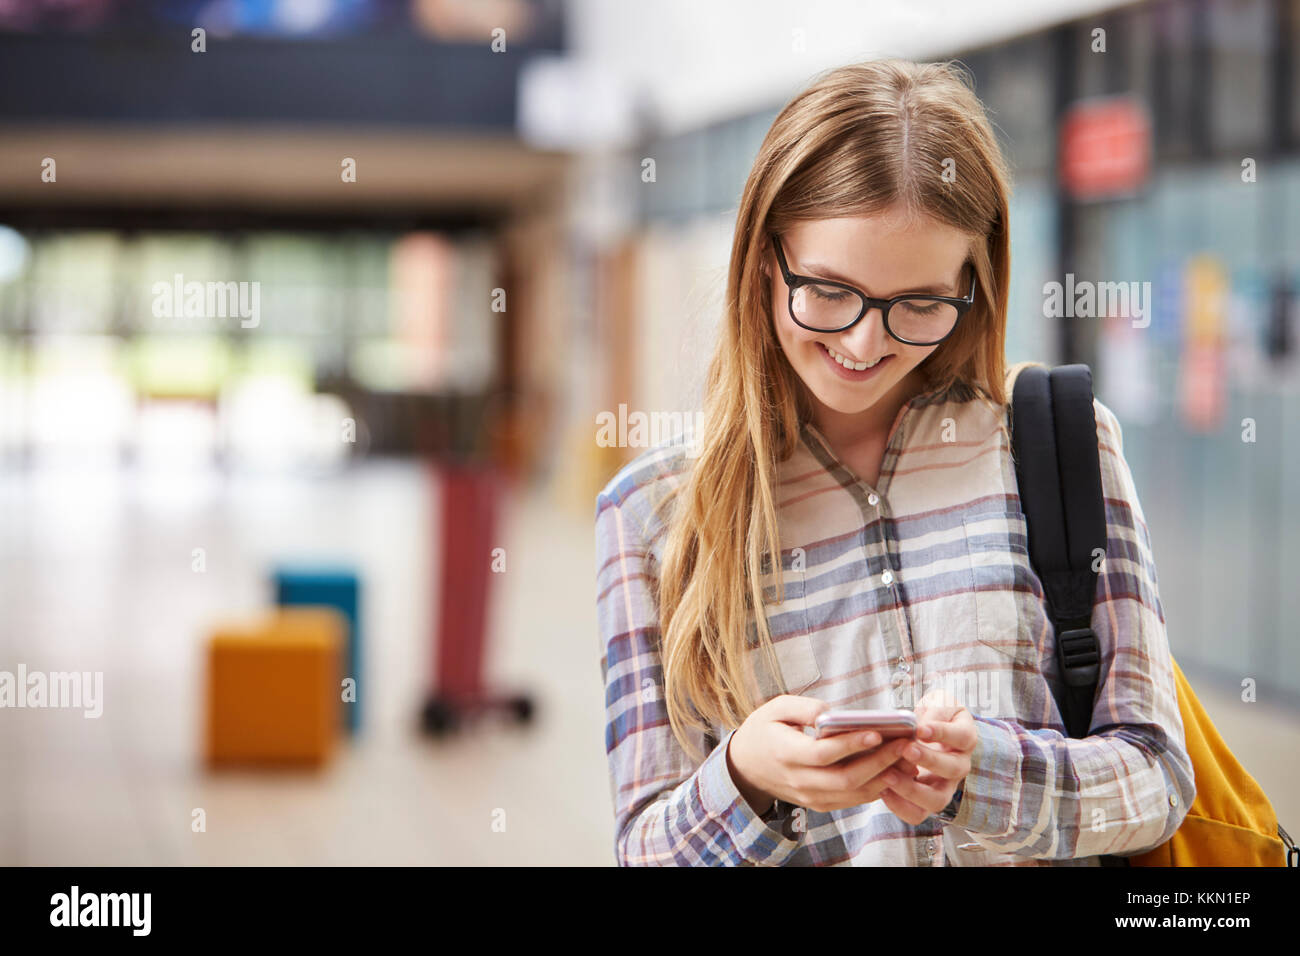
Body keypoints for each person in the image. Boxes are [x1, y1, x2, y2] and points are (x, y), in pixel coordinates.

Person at [594, 59, 1194, 866]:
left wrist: (982, 777)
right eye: (831, 292)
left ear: (972, 287)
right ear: (766, 261)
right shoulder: (651, 515)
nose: (863, 344)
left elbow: (1157, 778)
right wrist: (746, 778)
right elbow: (645, 853)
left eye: (918, 305)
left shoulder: (1059, 444)